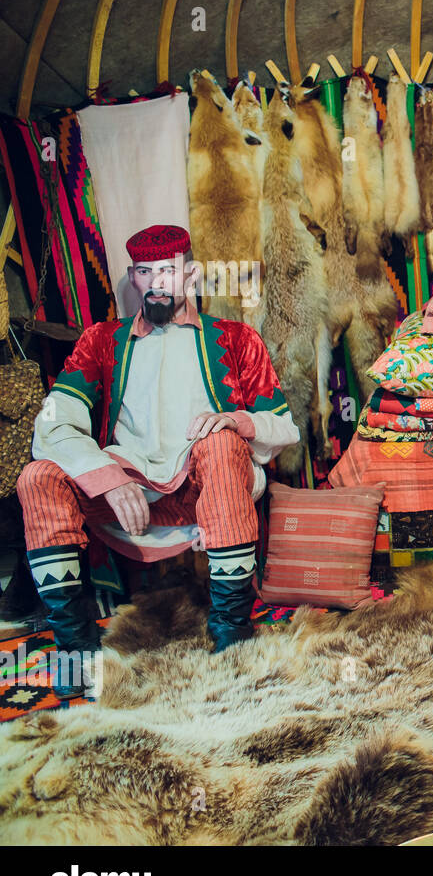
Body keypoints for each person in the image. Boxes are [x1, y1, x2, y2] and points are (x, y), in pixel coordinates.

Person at [16, 225, 299, 697]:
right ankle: (77, 650)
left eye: (167, 270)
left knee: (221, 442)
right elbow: (52, 425)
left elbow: (284, 426)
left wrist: (236, 421)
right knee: (37, 476)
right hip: (128, 498)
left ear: (190, 274)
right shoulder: (102, 340)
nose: (157, 283)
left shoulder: (235, 338)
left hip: (211, 488)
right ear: (133, 279)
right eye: (145, 272)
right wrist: (107, 478)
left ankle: (232, 636)